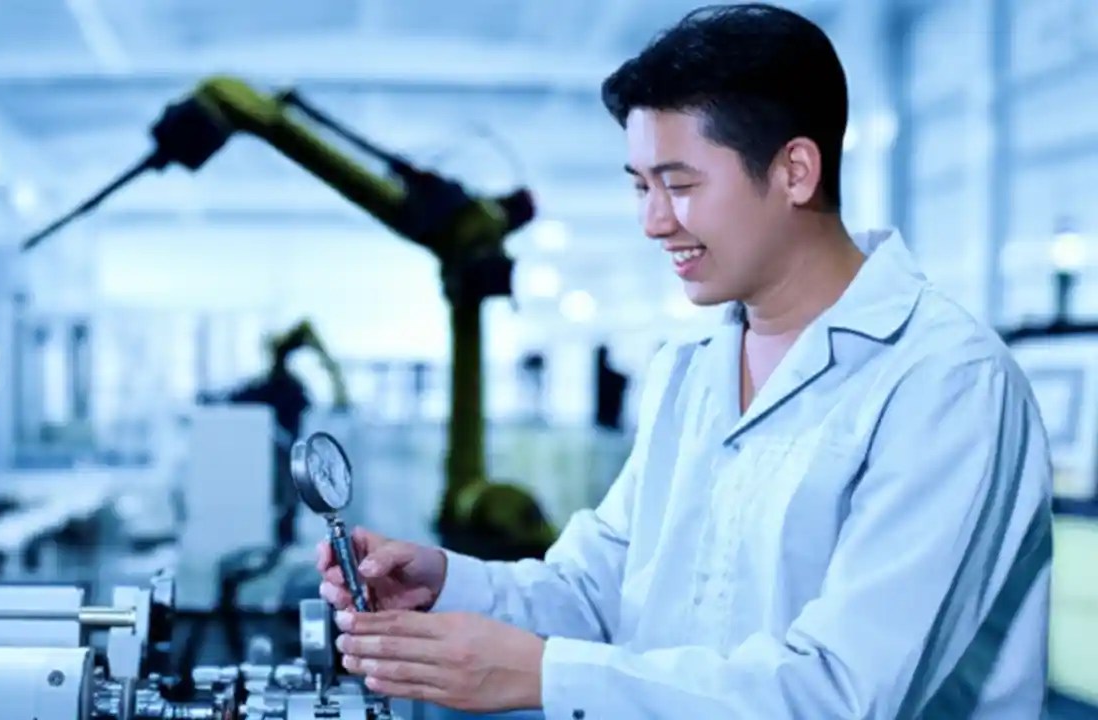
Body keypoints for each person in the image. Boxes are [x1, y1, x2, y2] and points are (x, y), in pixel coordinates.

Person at [316, 4, 1054, 718]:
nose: (653, 221)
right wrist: (448, 583)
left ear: (795, 171)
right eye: (640, 186)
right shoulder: (691, 372)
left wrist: (539, 674)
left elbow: (838, 694)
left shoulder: (943, 383)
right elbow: (598, 587)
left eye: (680, 183)